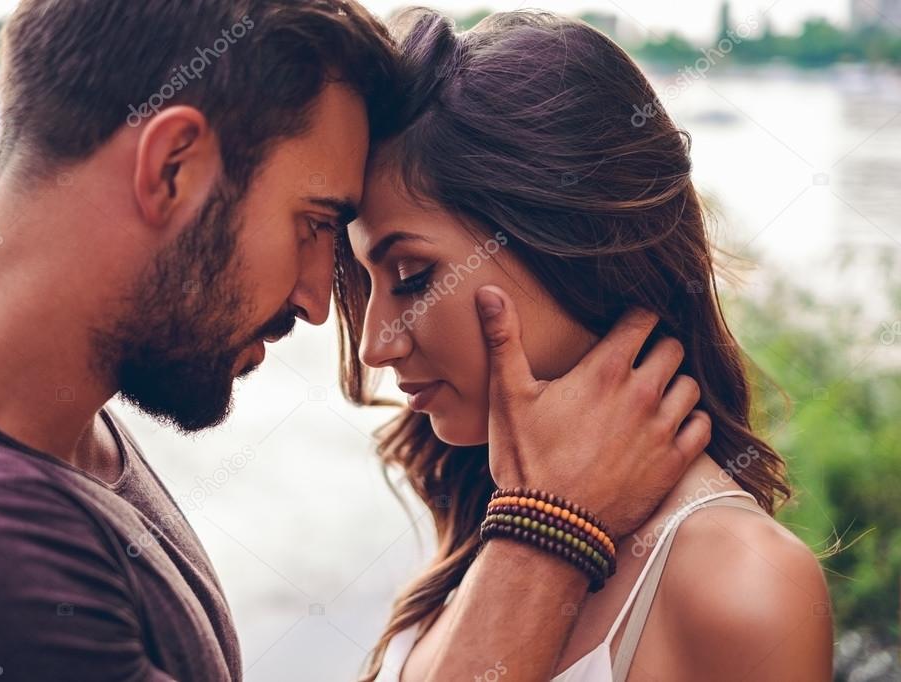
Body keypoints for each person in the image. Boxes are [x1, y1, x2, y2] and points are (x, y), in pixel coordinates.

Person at [0, 1, 706, 680]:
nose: (319, 303)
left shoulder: (73, 440)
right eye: (314, 225)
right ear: (172, 166)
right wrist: (548, 529)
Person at [334, 9, 834, 682]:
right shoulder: (488, 504)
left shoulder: (738, 582)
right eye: (368, 284)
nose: (374, 346)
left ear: (576, 245)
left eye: (412, 277)